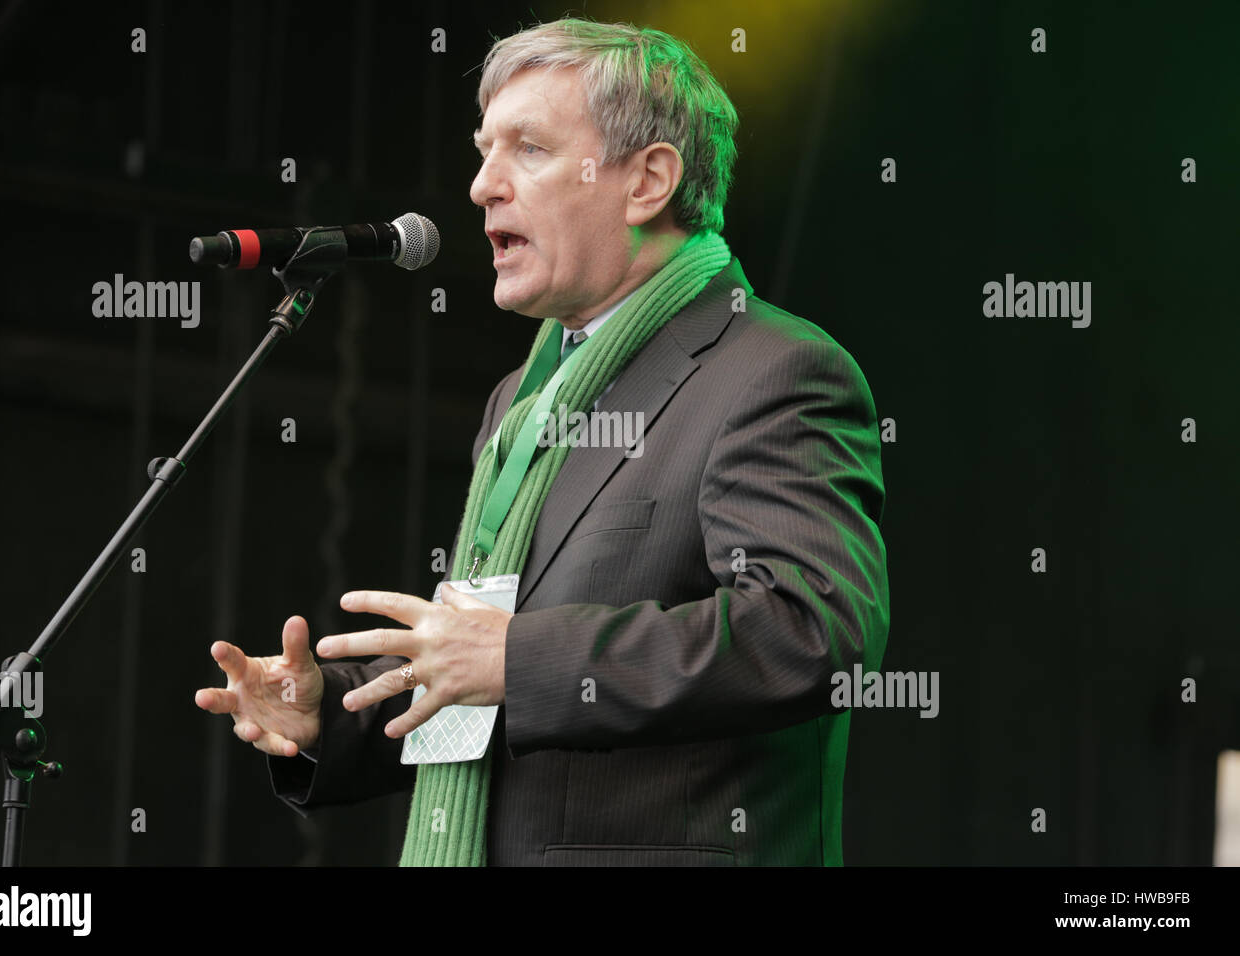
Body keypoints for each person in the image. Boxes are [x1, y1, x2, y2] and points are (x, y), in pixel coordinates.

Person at [195, 17, 889, 866]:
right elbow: (483, 686)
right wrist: (328, 720)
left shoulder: (773, 371)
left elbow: (809, 630)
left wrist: (519, 658)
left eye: (527, 149)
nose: (484, 185)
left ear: (647, 181)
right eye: (483, 151)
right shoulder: (521, 400)